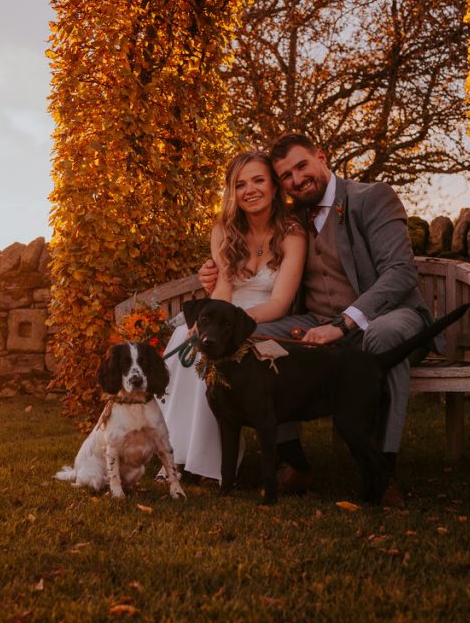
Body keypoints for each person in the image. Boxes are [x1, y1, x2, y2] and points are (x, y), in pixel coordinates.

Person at [200, 134, 434, 506]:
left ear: (321, 157)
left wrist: (344, 324)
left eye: (301, 166)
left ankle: (384, 471)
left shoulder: (371, 197)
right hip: (315, 319)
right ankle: (294, 460)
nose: (296, 179)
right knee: (253, 335)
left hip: (390, 316)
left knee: (382, 338)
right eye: (286, 175)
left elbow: (401, 273)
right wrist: (212, 273)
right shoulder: (294, 218)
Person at [159, 150, 304, 483]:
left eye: (258, 180)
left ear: (273, 186)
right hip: (222, 315)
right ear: (232, 192)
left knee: (219, 348)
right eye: (240, 184)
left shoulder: (292, 233)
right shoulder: (224, 229)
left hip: (262, 318)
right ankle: (179, 455)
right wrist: (207, 324)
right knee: (186, 338)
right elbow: (222, 291)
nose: (249, 190)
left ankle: (210, 465)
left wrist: (233, 327)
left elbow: (281, 301)